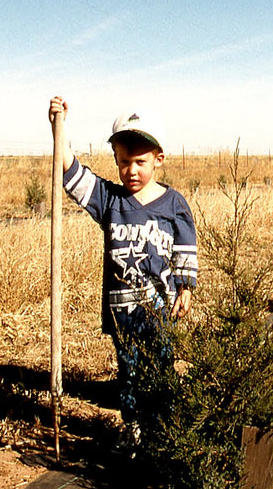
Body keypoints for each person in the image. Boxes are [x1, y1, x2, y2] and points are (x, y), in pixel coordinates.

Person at [48, 97, 198, 454]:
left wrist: (185, 286)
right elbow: (71, 173)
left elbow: (186, 247)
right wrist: (59, 127)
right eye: (123, 162)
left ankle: (162, 424)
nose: (131, 170)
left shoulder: (174, 204)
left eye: (140, 162)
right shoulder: (110, 200)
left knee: (160, 365)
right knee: (129, 370)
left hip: (160, 308)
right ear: (115, 159)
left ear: (158, 160)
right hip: (122, 310)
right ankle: (134, 427)